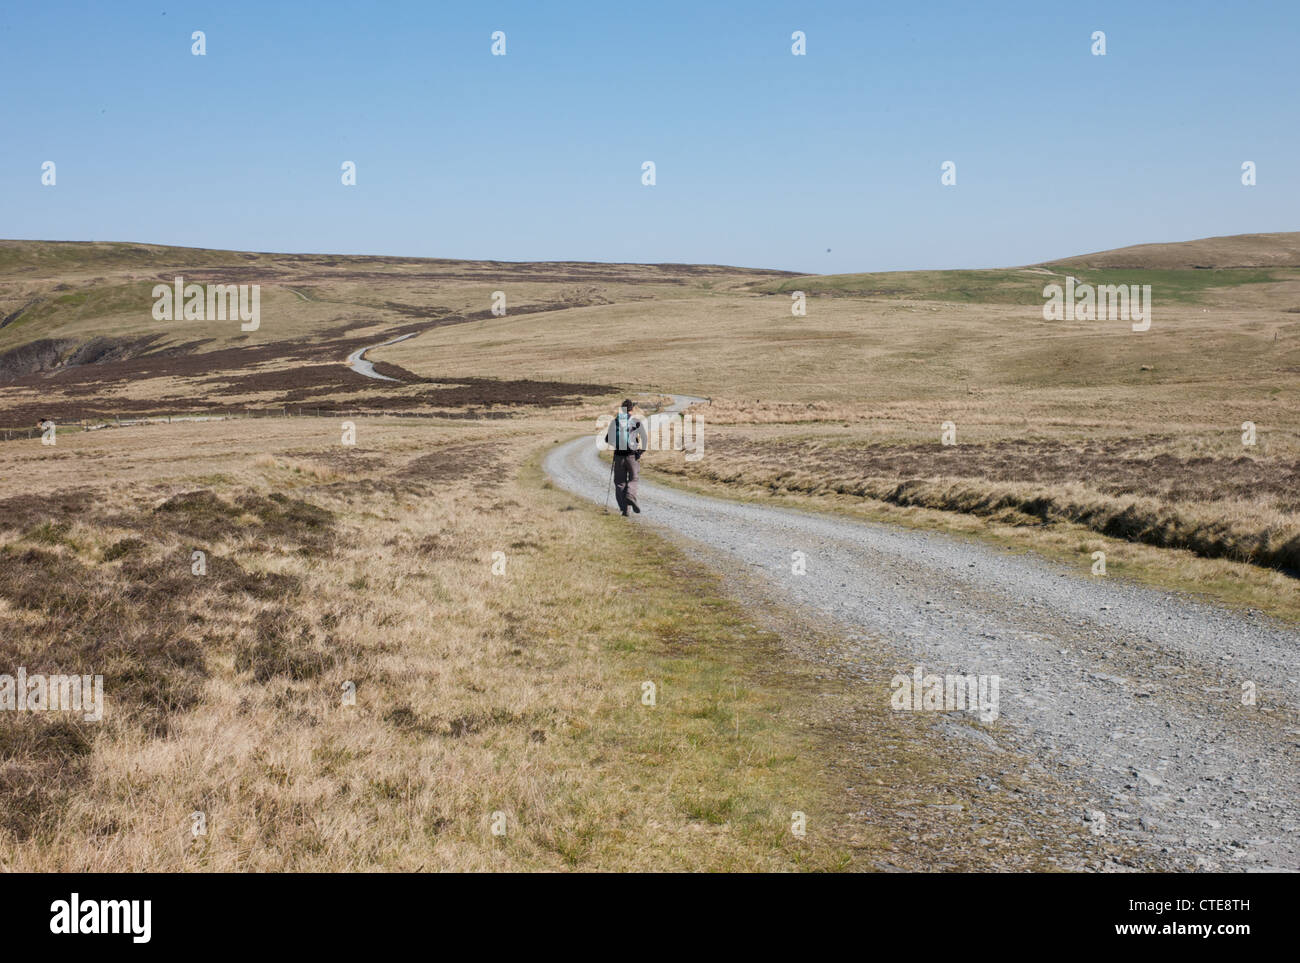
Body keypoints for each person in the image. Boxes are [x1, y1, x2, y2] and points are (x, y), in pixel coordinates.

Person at [604, 398, 648, 516]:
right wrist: (640, 452)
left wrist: (617, 446)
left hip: (619, 456)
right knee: (633, 478)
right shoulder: (636, 421)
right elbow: (644, 438)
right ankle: (630, 495)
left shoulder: (615, 421)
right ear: (632, 409)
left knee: (620, 482)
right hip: (632, 456)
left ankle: (625, 510)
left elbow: (607, 439)